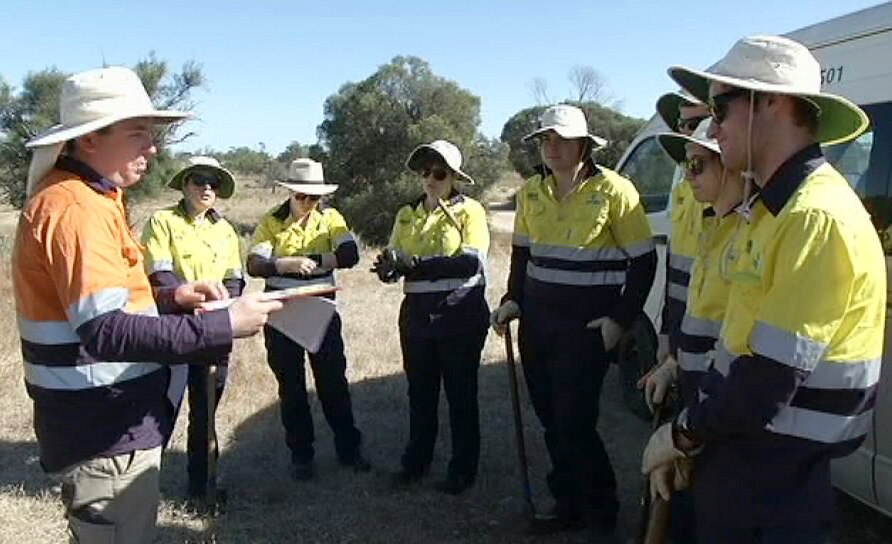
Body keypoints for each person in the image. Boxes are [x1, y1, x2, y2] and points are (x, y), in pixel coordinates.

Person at [12, 66, 280, 544]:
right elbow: (106, 330)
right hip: (103, 426)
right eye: (138, 133)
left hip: (102, 421)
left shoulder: (90, 197)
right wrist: (222, 325)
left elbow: (101, 304)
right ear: (91, 138)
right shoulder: (76, 208)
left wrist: (170, 297)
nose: (152, 147)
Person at [643, 35, 885, 543]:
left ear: (769, 102)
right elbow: (735, 350)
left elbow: (767, 382)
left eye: (719, 107)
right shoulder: (772, 211)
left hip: (774, 480)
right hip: (749, 456)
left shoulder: (813, 216)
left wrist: (681, 436)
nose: (711, 126)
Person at [491, 104, 657, 537]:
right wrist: (513, 299)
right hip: (538, 328)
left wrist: (619, 322)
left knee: (575, 424)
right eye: (546, 139)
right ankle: (568, 504)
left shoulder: (616, 190)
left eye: (561, 139)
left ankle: (602, 514)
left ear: (584, 144)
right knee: (551, 422)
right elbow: (523, 256)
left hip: (585, 332)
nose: (552, 147)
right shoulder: (530, 192)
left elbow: (643, 262)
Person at [644, 118, 744, 543]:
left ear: (735, 165)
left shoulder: (751, 236)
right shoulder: (712, 227)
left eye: (699, 164)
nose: (688, 175)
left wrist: (684, 434)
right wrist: (674, 363)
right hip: (697, 398)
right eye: (686, 165)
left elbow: (740, 349)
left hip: (720, 416)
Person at [371, 140, 490, 495]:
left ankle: (463, 468)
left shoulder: (471, 211)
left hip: (461, 315)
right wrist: (388, 269)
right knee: (420, 394)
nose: (431, 179)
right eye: (425, 172)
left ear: (454, 176)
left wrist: (417, 266)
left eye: (439, 173)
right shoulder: (407, 213)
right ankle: (416, 462)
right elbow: (397, 258)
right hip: (416, 319)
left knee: (460, 395)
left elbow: (471, 261)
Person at [247, 158, 369, 481]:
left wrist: (315, 260)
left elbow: (350, 254)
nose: (307, 203)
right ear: (290, 193)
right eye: (301, 196)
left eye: (314, 197)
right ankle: (301, 455)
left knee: (333, 382)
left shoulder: (331, 218)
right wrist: (283, 265)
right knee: (291, 387)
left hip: (320, 311)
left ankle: (349, 449)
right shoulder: (271, 221)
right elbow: (254, 264)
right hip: (281, 313)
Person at [141, 156, 244, 499]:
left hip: (213, 330)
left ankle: (201, 485)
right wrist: (192, 300)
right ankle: (139, 487)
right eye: (199, 180)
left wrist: (219, 306)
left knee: (206, 414)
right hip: (173, 329)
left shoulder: (226, 230)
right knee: (160, 410)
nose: (207, 187)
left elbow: (234, 278)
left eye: (213, 182)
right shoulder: (162, 221)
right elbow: (160, 273)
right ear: (185, 184)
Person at [654, 92, 710, 371]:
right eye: (681, 122)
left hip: (709, 344)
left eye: (695, 122)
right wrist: (666, 331)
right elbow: (674, 265)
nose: (684, 130)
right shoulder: (684, 189)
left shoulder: (730, 196)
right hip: (680, 331)